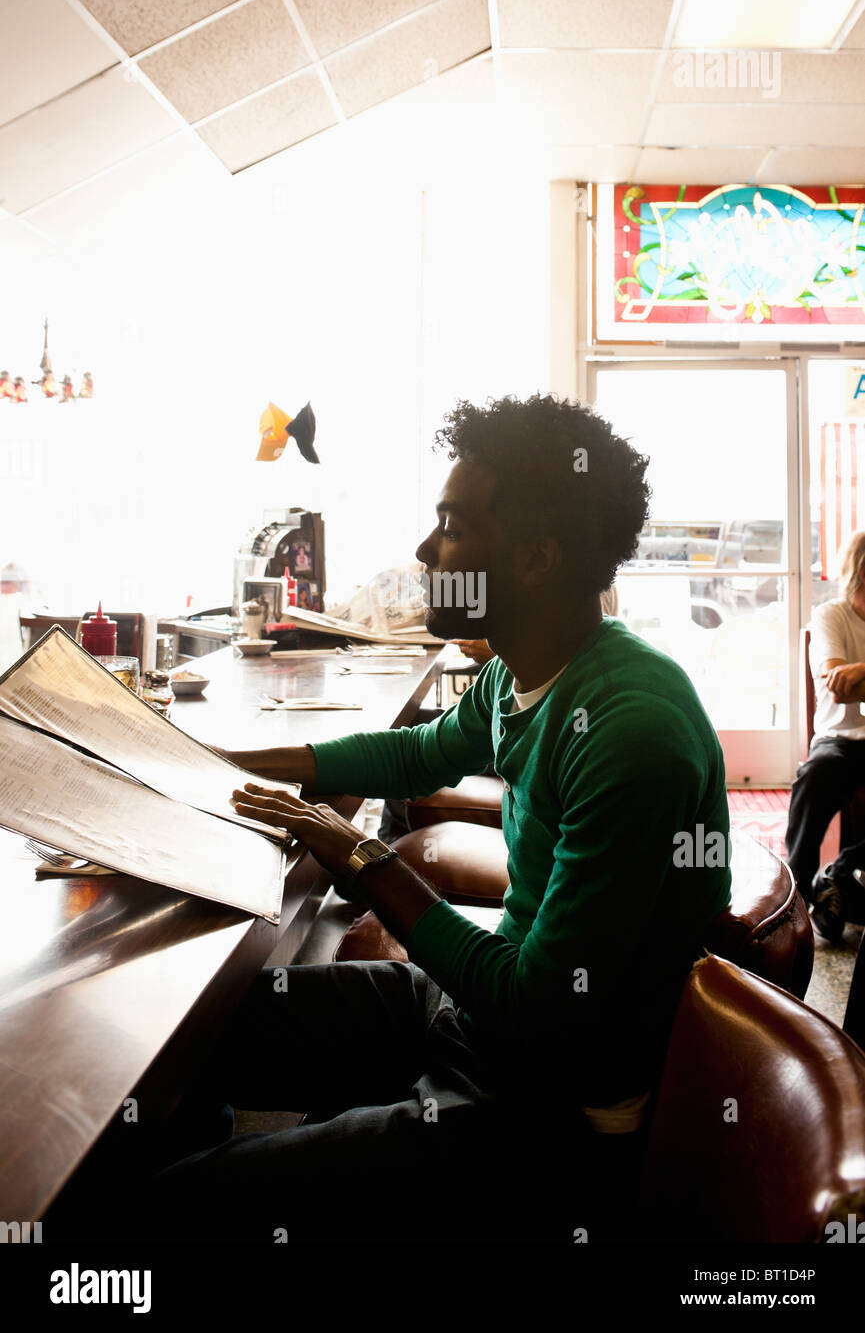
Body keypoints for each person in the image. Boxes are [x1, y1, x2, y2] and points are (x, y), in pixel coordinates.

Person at [128, 394, 731, 1245]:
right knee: (188, 1038)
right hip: (475, 1011)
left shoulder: (631, 731)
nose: (423, 548)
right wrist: (222, 764)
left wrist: (365, 858)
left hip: (544, 1094)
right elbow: (416, 756)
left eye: (450, 524)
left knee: (172, 1212)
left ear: (534, 557)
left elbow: (535, 1004)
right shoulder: (528, 664)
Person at [786, 531, 865, 941]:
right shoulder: (832, 615)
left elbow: (851, 681)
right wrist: (849, 678)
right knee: (815, 777)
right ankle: (795, 895)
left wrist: (859, 673)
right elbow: (838, 687)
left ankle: (834, 874)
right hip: (840, 739)